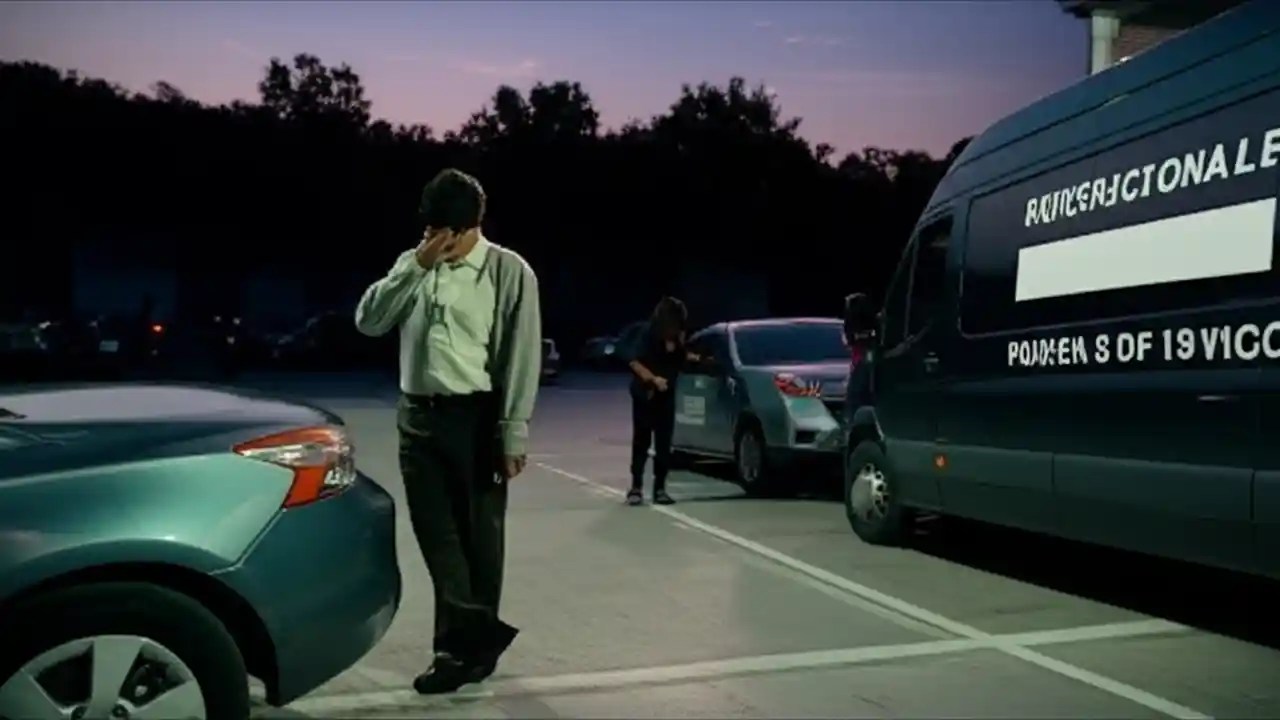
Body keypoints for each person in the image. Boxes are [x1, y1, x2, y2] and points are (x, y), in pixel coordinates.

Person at [354, 168, 542, 695]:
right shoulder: (414, 263)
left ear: (469, 228)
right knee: (437, 537)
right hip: (418, 418)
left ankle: (460, 653)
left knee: (480, 539)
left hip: (476, 418)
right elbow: (369, 322)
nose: (435, 239)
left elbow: (521, 354)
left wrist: (513, 431)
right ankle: (470, 641)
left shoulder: (508, 271)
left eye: (444, 232)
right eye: (428, 229)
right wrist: (416, 265)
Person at [625, 296, 703, 507]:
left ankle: (660, 488)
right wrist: (653, 379)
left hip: (666, 396)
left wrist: (696, 359)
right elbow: (634, 362)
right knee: (641, 441)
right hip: (645, 394)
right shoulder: (647, 334)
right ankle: (636, 487)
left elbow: (681, 359)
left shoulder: (677, 339)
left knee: (664, 444)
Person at [842, 292, 877, 423]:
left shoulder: (855, 324)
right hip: (863, 360)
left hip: (862, 361)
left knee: (856, 392)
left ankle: (852, 421)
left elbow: (850, 340)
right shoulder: (870, 324)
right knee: (859, 392)